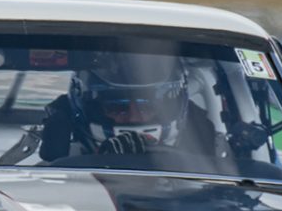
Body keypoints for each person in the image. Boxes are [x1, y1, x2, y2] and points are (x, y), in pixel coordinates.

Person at [37, 54, 219, 161]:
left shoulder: (208, 177)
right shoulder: (52, 175)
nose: (134, 118)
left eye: (147, 107)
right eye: (117, 107)